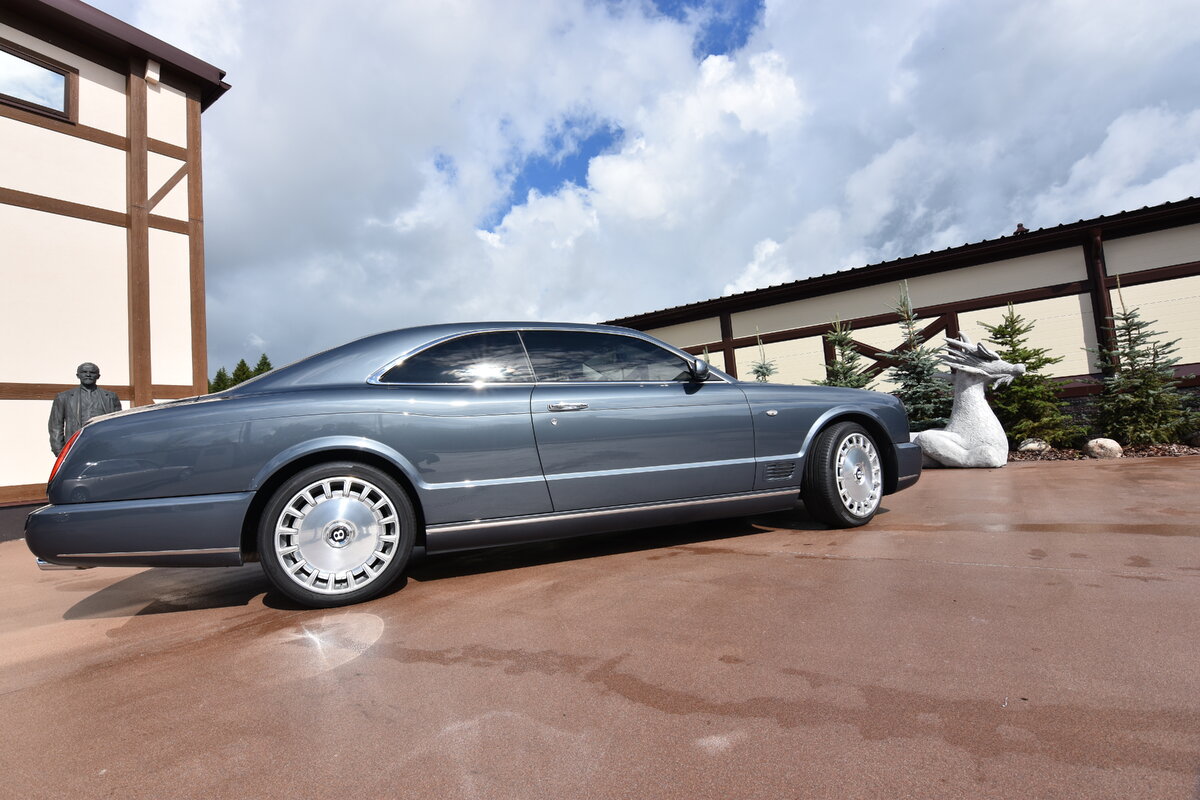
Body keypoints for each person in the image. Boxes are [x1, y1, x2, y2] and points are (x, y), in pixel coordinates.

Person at [48, 362, 122, 456]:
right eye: (84, 372)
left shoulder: (111, 397)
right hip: (75, 448)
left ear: (98, 376)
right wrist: (60, 452)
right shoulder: (64, 397)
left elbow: (118, 424)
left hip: (104, 447)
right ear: (78, 375)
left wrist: (118, 447)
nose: (88, 375)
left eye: (92, 372)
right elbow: (55, 426)